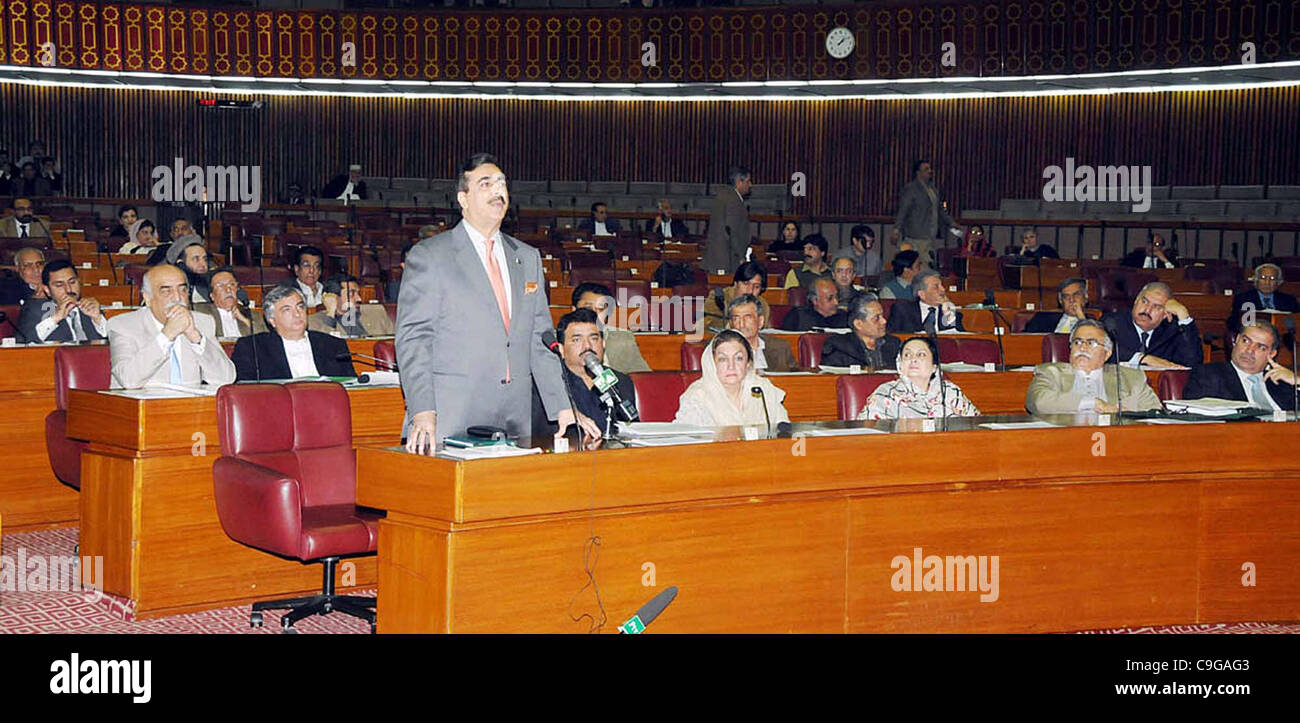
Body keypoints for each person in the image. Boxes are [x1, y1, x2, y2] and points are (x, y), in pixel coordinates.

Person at [397, 152, 600, 452]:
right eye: (486, 183)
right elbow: (414, 341)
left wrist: (562, 406)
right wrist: (422, 409)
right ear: (463, 199)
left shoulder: (527, 258)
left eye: (502, 183)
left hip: (515, 417)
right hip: (449, 414)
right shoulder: (431, 256)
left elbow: (540, 341)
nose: (498, 190)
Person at [106, 264, 236, 388]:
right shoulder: (122, 325)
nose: (177, 298)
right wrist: (167, 335)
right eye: (166, 291)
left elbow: (226, 378)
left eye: (182, 290)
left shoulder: (202, 322)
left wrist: (195, 337)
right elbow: (128, 380)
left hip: (189, 406)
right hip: (142, 408)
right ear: (147, 298)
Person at [1025, 319, 1163, 415]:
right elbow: (1037, 402)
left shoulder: (1131, 377)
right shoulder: (1050, 372)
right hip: (1065, 441)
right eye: (1077, 342)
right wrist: (1092, 403)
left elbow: (1155, 414)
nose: (1083, 347)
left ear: (1107, 353)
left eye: (1091, 343)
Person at [231, 284, 357, 381]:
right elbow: (246, 390)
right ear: (272, 320)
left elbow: (351, 385)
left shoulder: (333, 345)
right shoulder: (252, 347)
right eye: (287, 310)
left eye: (300, 307)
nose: (297, 314)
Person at [544, 308, 640, 436]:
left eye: (594, 339)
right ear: (561, 349)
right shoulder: (550, 386)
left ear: (603, 344)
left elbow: (632, 430)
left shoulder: (621, 380)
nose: (587, 346)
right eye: (577, 340)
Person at [674, 330, 790, 427]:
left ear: (748, 363)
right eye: (722, 359)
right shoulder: (697, 396)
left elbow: (783, 432)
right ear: (712, 363)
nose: (731, 366)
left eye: (738, 358)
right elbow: (687, 444)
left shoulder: (763, 389)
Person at [857, 336, 979, 420]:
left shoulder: (950, 391)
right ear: (900, 364)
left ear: (934, 367)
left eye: (921, 355)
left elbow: (975, 425)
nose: (913, 359)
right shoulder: (885, 394)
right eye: (907, 355)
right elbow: (868, 436)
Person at [1182, 322, 1297, 411]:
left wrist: (1298, 382)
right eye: (1246, 341)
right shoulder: (1208, 375)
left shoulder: (1283, 382)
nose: (1249, 350)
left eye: (1260, 347)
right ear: (1236, 340)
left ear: (1272, 354)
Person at [1101, 281, 1201, 368]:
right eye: (1144, 301)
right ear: (1136, 300)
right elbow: (1101, 351)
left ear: (1166, 314)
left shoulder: (1172, 330)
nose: (1147, 310)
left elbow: (1192, 363)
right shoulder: (1112, 322)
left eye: (1157, 306)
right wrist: (1143, 359)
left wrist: (1182, 314)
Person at [16, 260, 106, 343]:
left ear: (79, 282)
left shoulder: (90, 308)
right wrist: (55, 318)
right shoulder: (35, 310)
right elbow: (25, 342)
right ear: (47, 290)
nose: (68, 289)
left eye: (72, 282)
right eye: (59, 285)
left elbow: (113, 341)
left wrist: (97, 319)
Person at [890, 159, 959, 268]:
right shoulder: (911, 189)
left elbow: (940, 209)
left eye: (930, 169)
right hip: (916, 234)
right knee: (920, 264)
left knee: (926, 262)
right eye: (926, 169)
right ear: (918, 173)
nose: (930, 171)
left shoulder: (933, 189)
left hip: (930, 233)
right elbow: (903, 210)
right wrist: (896, 229)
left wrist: (951, 222)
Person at [571, 282, 650, 373]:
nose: (594, 314)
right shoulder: (560, 341)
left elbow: (642, 377)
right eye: (588, 308)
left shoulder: (623, 339)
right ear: (574, 310)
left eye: (601, 309)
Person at [821, 295, 901, 370]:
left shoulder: (894, 344)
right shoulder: (839, 347)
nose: (884, 321)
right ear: (858, 324)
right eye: (876, 318)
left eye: (882, 316)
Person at [307, 274, 395, 338]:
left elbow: (394, 343)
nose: (359, 299)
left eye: (358, 293)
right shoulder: (313, 322)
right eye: (351, 293)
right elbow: (325, 348)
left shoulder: (376, 312)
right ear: (332, 296)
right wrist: (331, 314)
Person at [725, 294, 798, 371]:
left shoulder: (781, 348)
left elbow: (797, 376)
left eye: (748, 317)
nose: (741, 324)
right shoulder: (721, 349)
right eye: (736, 319)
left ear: (760, 321)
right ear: (730, 324)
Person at [192, 267, 266, 338]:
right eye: (221, 286)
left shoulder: (253, 315)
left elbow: (264, 341)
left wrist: (245, 320)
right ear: (212, 296)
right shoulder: (200, 311)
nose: (228, 290)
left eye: (232, 284)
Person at [704, 165, 752, 274]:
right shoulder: (734, 200)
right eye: (748, 181)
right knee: (724, 289)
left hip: (717, 258)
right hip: (728, 259)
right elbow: (731, 230)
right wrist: (740, 256)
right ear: (739, 181)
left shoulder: (722, 196)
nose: (750, 185)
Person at [700, 260, 771, 334]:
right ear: (735, 284)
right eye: (746, 284)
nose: (750, 291)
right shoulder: (719, 297)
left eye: (756, 287)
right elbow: (708, 322)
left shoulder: (762, 305)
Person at [886, 269, 965, 334]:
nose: (943, 290)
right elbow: (892, 336)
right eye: (936, 287)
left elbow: (958, 338)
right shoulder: (902, 310)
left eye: (942, 285)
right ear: (922, 294)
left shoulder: (951, 313)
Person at [1228, 263, 1298, 333]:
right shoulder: (1243, 299)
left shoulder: (1289, 301)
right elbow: (1234, 324)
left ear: (1279, 282)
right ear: (1256, 280)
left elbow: (1296, 323)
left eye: (1272, 279)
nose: (1267, 282)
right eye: (1263, 278)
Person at [781, 278, 850, 331]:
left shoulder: (845, 318)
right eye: (830, 298)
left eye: (837, 297)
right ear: (815, 300)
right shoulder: (797, 317)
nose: (836, 302)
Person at [1024, 278, 1091, 334]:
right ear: (1060, 300)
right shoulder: (1041, 319)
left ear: (1085, 297)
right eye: (1066, 296)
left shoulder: (1095, 324)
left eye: (1076, 295)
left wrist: (1081, 317)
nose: (1071, 300)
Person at [166, 234, 211, 303]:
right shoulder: (169, 288)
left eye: (205, 259)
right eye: (196, 259)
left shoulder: (212, 283)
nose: (203, 264)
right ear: (181, 263)